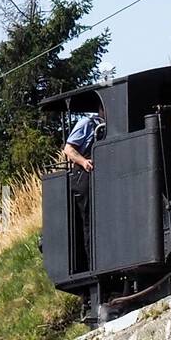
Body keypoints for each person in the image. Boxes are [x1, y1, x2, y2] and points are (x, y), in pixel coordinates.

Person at [63, 110, 104, 272]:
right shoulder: (86, 123)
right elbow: (68, 148)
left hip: (97, 177)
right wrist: (83, 162)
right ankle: (92, 265)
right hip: (83, 176)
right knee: (89, 221)